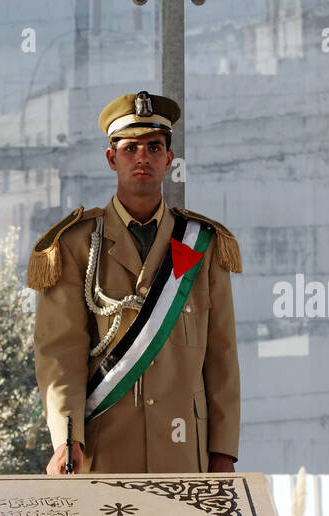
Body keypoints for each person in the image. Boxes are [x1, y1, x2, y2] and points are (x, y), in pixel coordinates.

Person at [31, 91, 241, 475]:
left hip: (183, 453)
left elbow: (221, 355)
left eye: (154, 147)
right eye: (130, 148)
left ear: (169, 160)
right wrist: (66, 439)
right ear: (112, 158)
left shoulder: (203, 244)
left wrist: (223, 451)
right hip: (103, 448)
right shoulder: (76, 245)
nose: (142, 157)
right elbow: (60, 354)